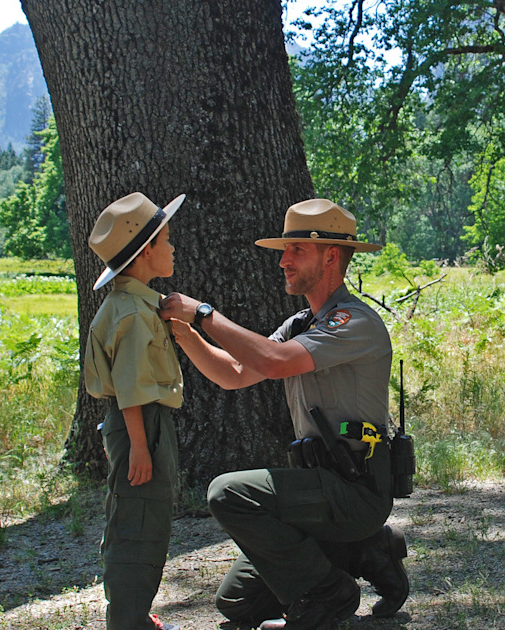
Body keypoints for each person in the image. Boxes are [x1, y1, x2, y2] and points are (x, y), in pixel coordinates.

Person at [159, 198, 409, 630]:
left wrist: (203, 313)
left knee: (227, 493)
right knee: (238, 603)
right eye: (284, 249)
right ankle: (366, 552)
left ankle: (330, 592)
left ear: (331, 256)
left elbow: (273, 362)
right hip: (320, 490)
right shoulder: (301, 324)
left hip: (355, 490)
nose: (283, 261)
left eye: (296, 250)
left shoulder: (354, 322)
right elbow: (235, 372)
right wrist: (183, 334)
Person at [84, 191, 187, 630]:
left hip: (142, 425)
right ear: (147, 251)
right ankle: (127, 619)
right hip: (140, 425)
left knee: (142, 514)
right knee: (139, 522)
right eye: (166, 239)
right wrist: (141, 448)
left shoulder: (139, 304)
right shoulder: (133, 313)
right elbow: (130, 389)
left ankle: (133, 615)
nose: (173, 247)